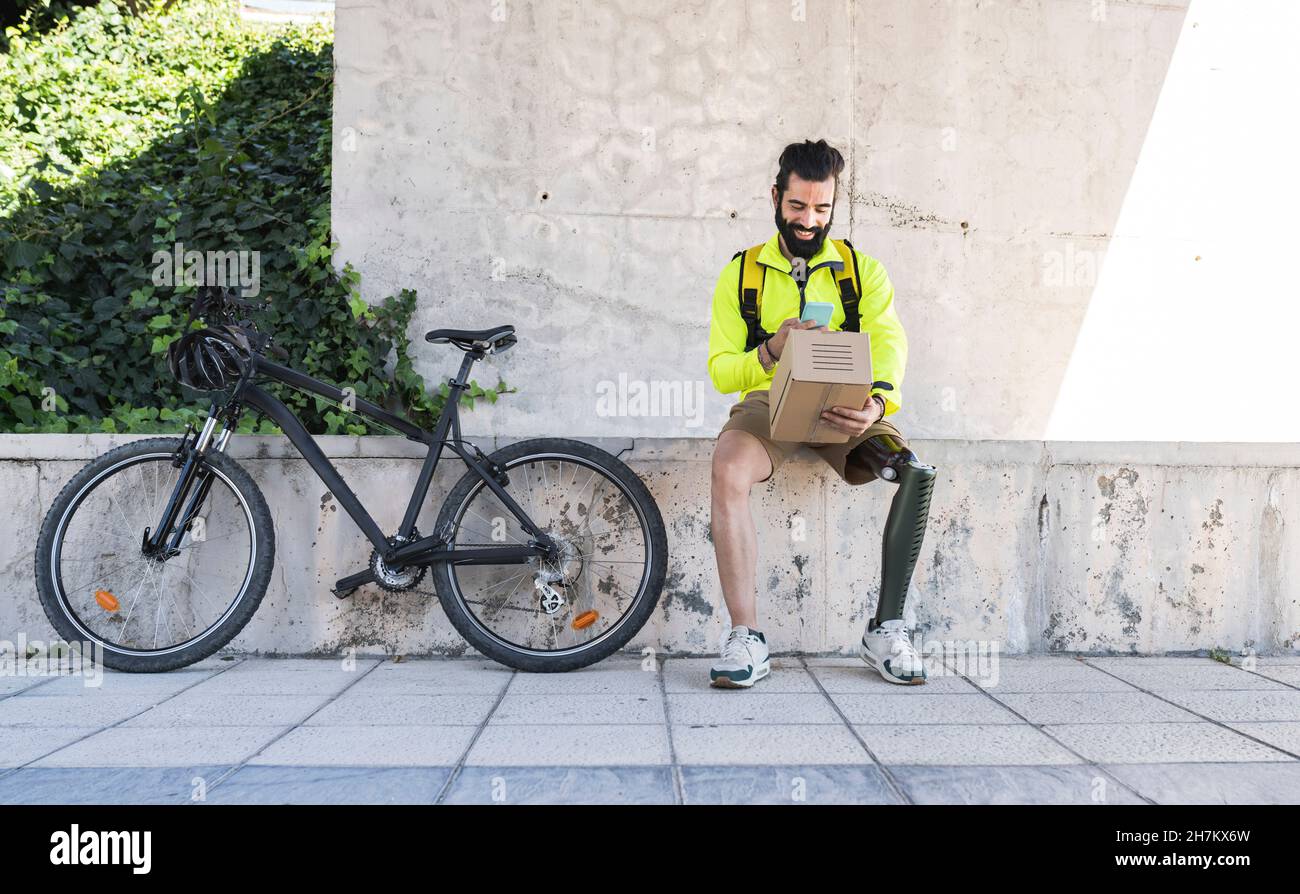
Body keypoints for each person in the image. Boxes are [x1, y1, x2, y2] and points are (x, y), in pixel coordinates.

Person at [706, 138, 938, 689]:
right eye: (797, 207)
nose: (809, 221)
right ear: (775, 198)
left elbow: (889, 346)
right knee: (726, 467)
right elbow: (720, 369)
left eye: (822, 208)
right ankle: (746, 637)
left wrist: (878, 402)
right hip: (770, 401)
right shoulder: (742, 274)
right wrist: (770, 350)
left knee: (914, 472)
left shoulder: (864, 271)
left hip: (844, 406)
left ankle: (886, 628)